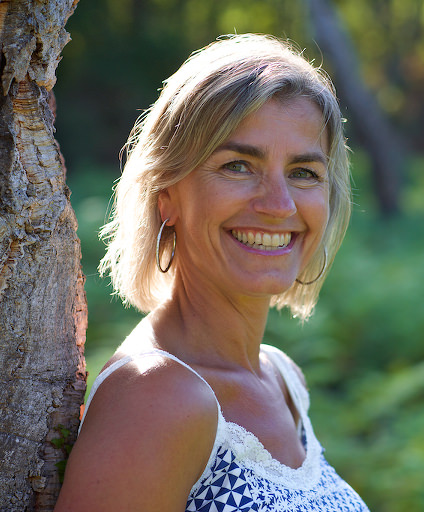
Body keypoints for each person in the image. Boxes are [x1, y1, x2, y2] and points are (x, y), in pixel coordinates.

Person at [55, 34, 368, 511]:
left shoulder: (283, 379)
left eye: (304, 172)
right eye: (239, 165)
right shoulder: (155, 396)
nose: (279, 205)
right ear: (168, 194)